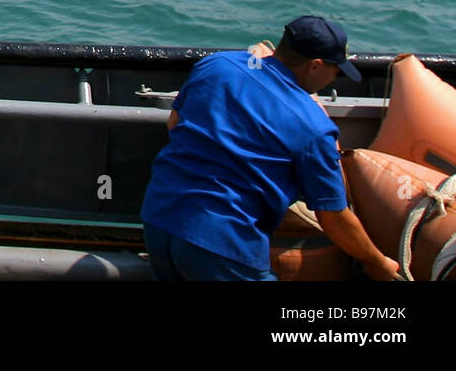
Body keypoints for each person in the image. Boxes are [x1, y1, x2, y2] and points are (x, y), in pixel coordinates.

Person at [140, 16, 399, 282]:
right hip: (223, 242)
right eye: (337, 70)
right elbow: (333, 216)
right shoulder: (314, 127)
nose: (335, 77)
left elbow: (176, 124)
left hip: (160, 217)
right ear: (315, 66)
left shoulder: (217, 65)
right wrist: (376, 262)